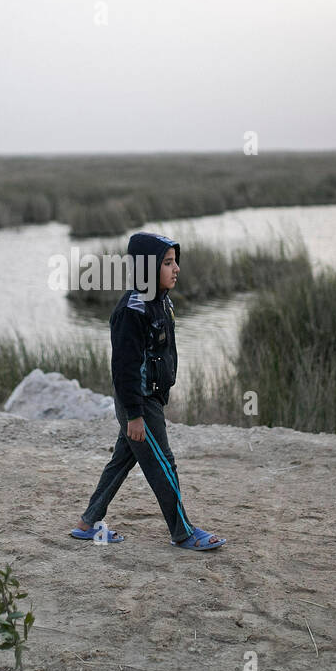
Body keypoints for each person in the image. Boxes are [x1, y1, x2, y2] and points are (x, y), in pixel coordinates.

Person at [69, 231, 226, 550]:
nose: (176, 268)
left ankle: (88, 523)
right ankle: (182, 532)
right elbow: (124, 369)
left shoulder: (160, 300)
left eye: (175, 262)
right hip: (137, 402)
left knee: (123, 459)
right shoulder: (133, 309)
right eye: (168, 263)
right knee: (163, 463)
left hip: (150, 397)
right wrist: (135, 415)